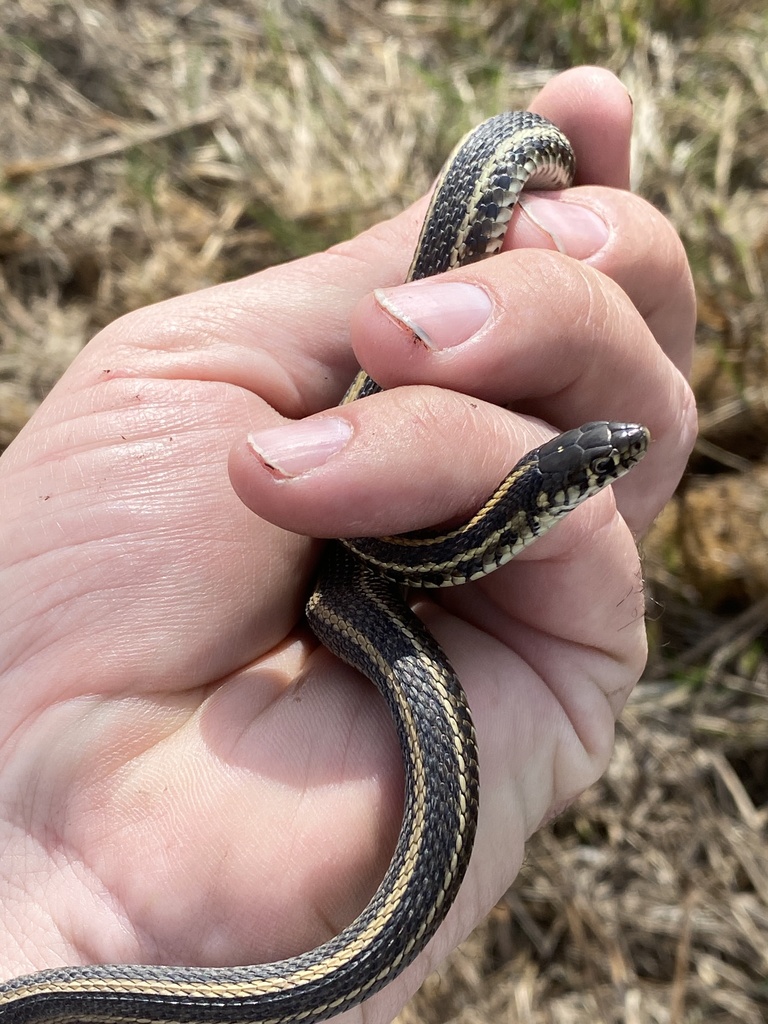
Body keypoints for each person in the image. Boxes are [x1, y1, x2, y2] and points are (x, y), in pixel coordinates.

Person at [0, 67, 695, 1021]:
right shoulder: (397, 563)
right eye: (598, 466)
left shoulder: (413, 573)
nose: (612, 463)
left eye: (602, 463)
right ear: (553, 494)